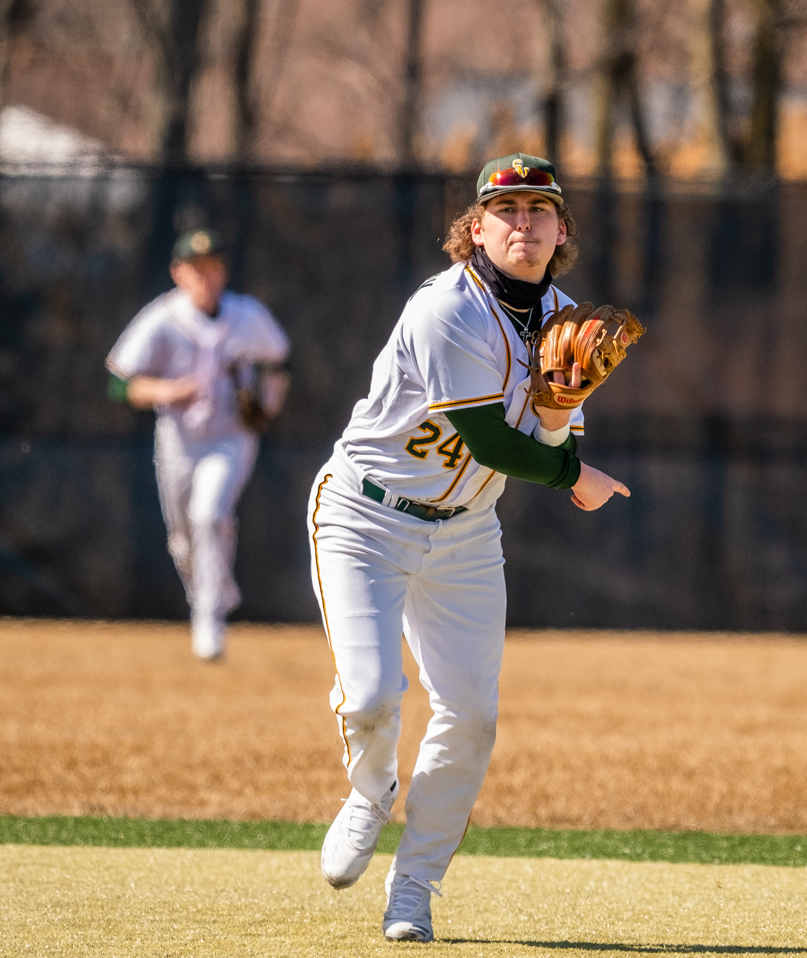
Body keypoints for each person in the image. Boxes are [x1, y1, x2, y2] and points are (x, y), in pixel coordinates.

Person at [306, 154, 632, 943]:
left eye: (539, 210)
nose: (523, 223)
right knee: (377, 694)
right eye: (506, 209)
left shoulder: (563, 316)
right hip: (366, 518)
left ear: (561, 231)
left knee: (473, 716)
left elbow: (554, 429)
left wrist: (560, 410)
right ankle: (370, 789)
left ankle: (413, 888)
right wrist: (572, 473)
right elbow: (488, 440)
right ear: (475, 229)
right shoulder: (445, 309)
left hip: (465, 536)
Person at [107, 229, 290, 661]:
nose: (205, 276)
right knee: (183, 538)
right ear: (177, 272)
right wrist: (165, 391)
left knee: (210, 516)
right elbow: (119, 385)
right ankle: (217, 591)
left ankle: (208, 622)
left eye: (213, 267)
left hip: (231, 436)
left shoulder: (247, 315)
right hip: (178, 439)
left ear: (224, 272)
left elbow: (280, 361)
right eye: (196, 268)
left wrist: (268, 405)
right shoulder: (162, 318)